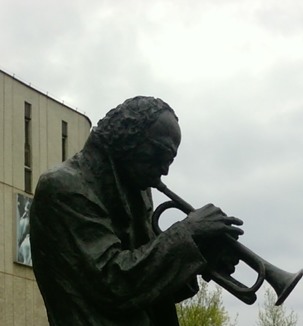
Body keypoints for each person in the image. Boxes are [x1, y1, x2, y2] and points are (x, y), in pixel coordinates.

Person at [30, 96, 243, 326]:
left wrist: (199, 255)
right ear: (128, 136)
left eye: (170, 160)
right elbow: (113, 286)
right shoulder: (63, 187)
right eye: (160, 154)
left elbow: (150, 289)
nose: (165, 169)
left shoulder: (135, 190)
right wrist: (187, 234)